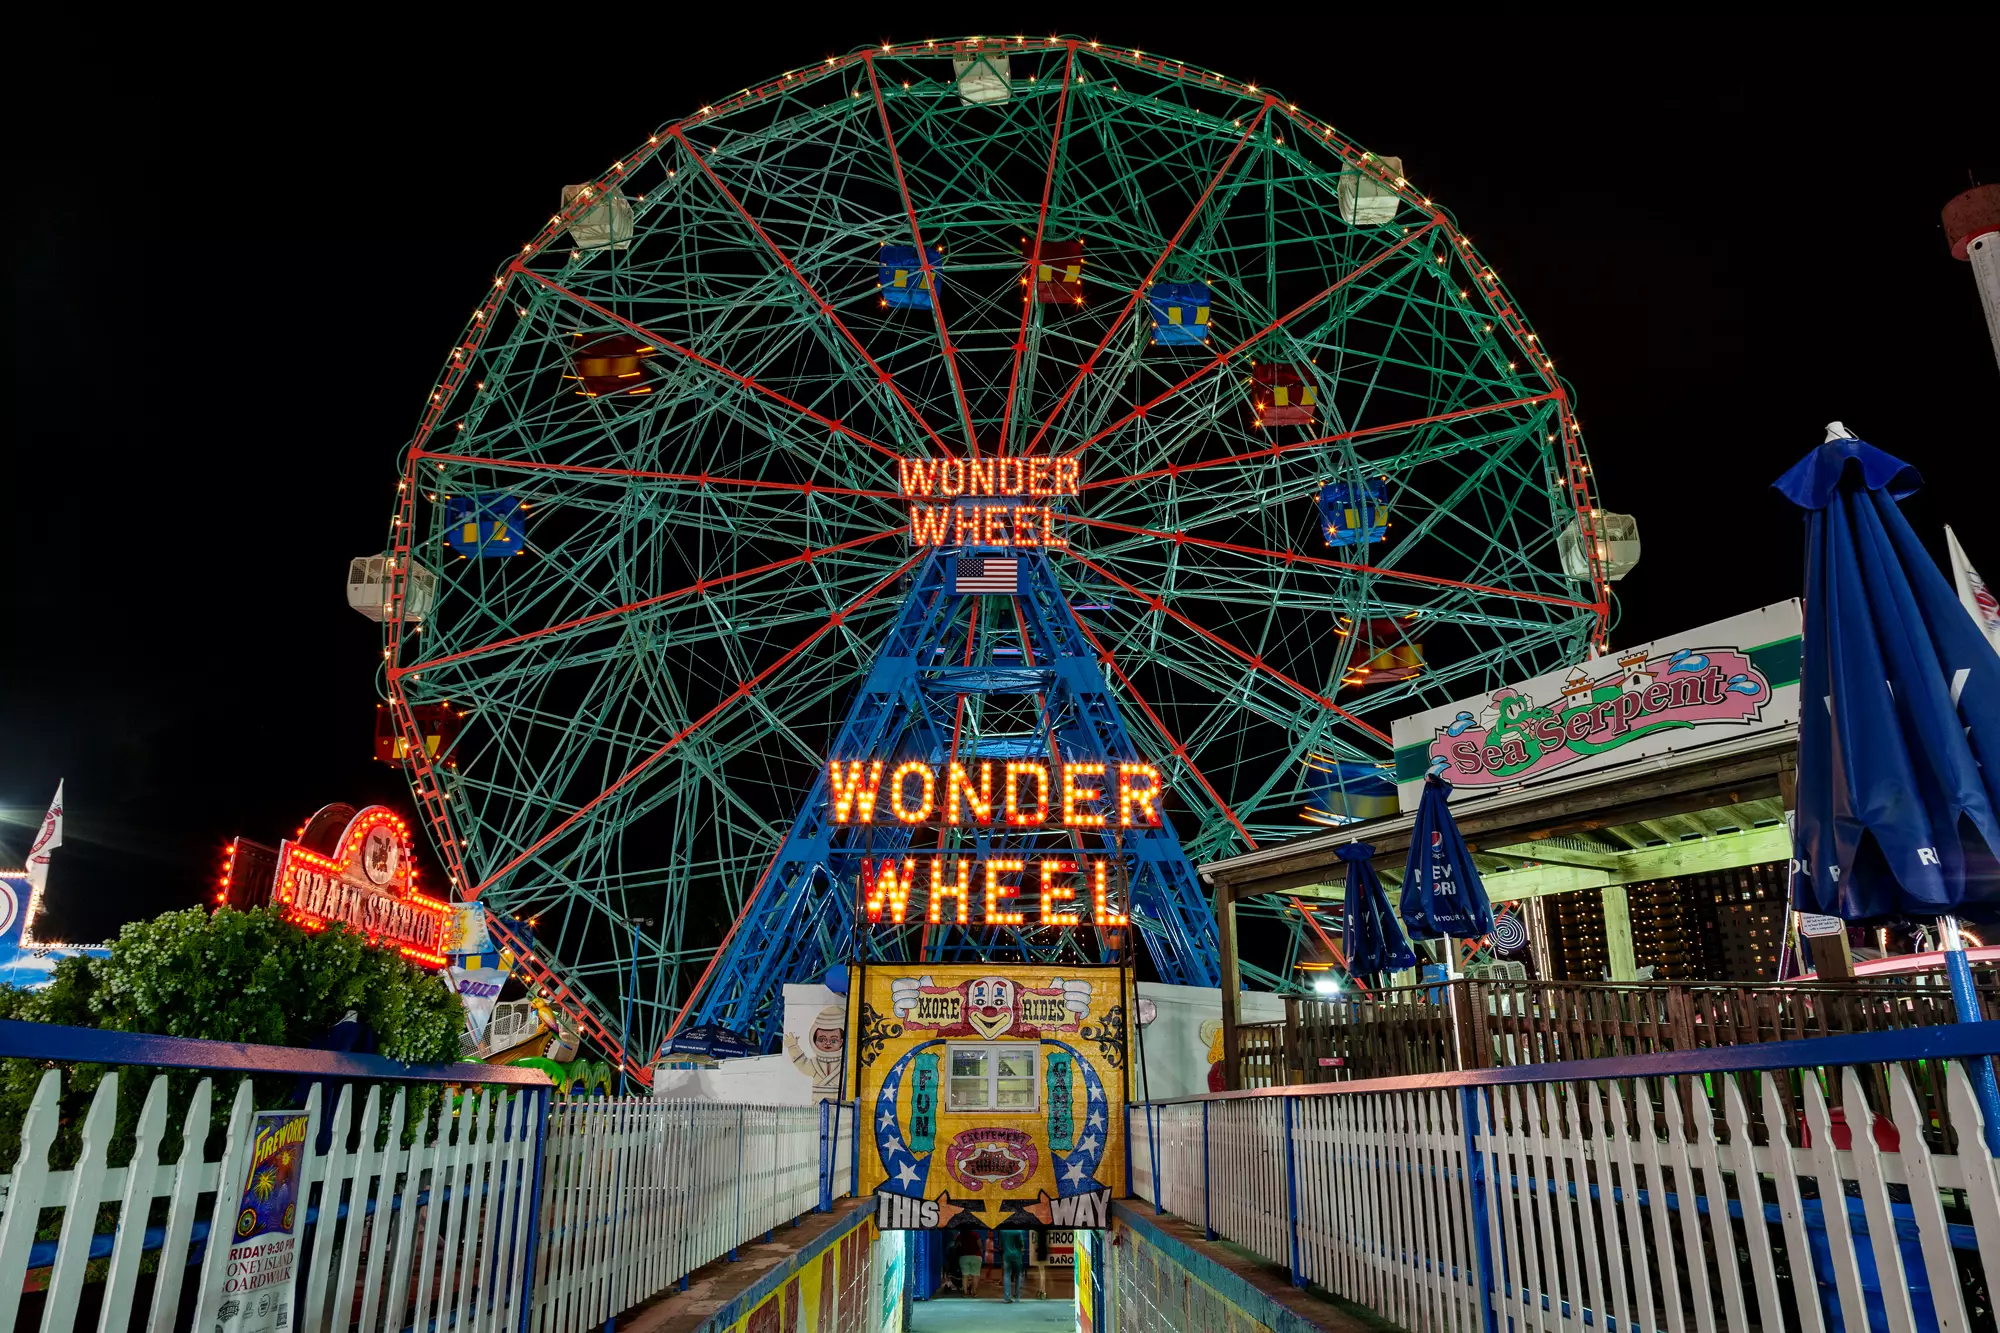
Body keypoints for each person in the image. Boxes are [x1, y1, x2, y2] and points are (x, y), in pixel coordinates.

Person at [1000, 1229, 1028, 1303]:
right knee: (1018, 1276)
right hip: (1017, 1256)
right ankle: (1017, 1297)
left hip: (1007, 1256)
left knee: (1006, 1275)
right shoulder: (1018, 1231)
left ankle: (1007, 1298)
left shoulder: (1002, 1231)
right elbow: (1021, 1244)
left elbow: (1001, 1244)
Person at [956, 1230, 984, 1297]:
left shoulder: (960, 1235)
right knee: (975, 1275)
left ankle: (965, 1293)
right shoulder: (976, 1234)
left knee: (965, 1276)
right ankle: (974, 1292)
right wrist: (981, 1254)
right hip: (976, 1256)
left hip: (964, 1256)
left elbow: (956, 1246)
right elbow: (980, 1246)